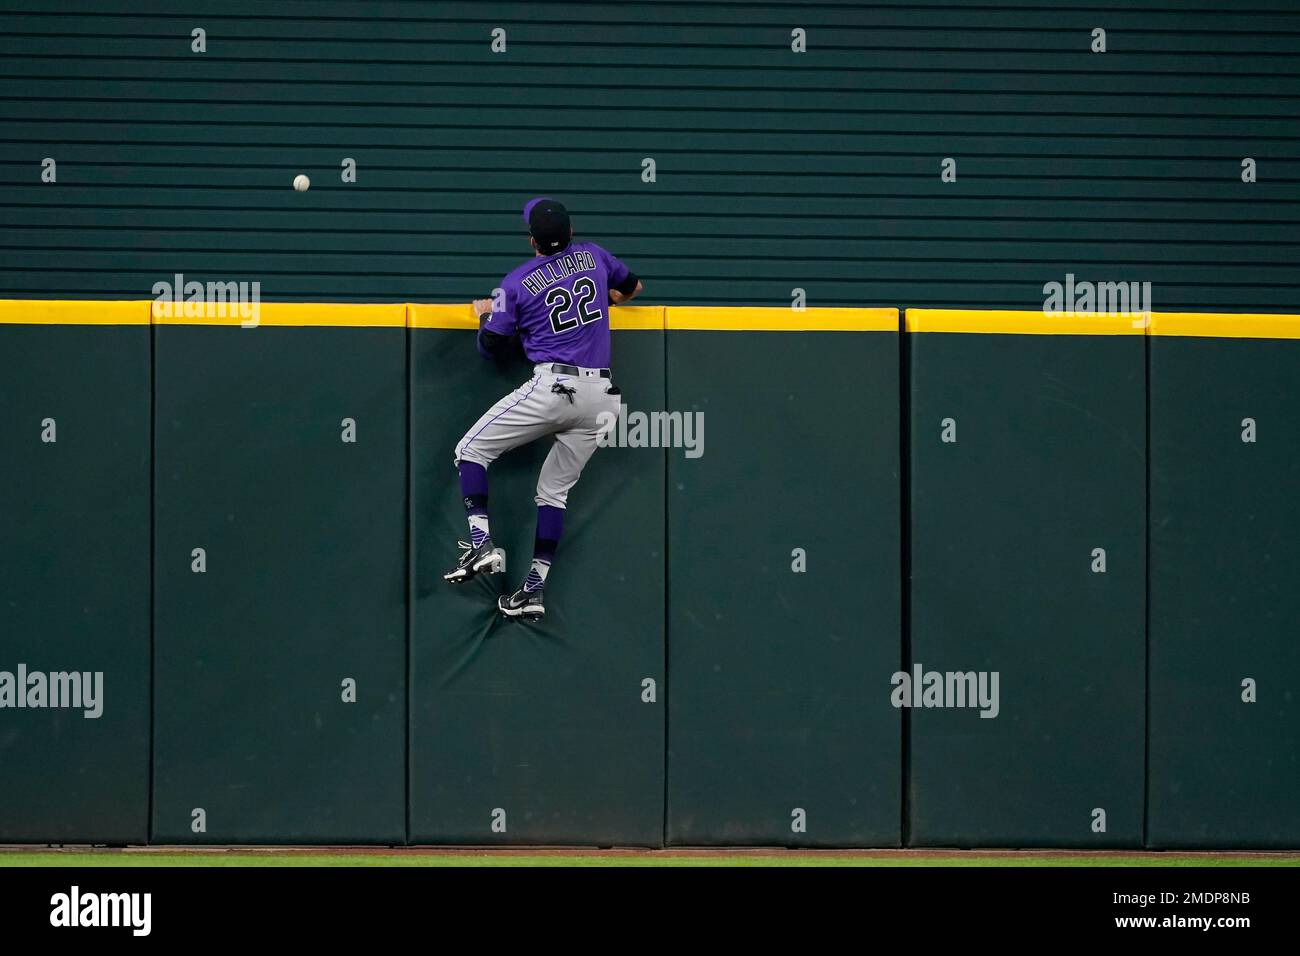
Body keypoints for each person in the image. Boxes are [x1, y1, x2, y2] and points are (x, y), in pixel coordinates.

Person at [443, 197, 643, 620]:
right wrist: (607, 301)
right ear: (570, 233)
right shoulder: (593, 254)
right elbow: (633, 288)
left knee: (471, 451)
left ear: (532, 240)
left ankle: (481, 542)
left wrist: (485, 313)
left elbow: (491, 347)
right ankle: (532, 592)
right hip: (604, 398)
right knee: (553, 493)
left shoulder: (513, 283)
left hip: (555, 387)